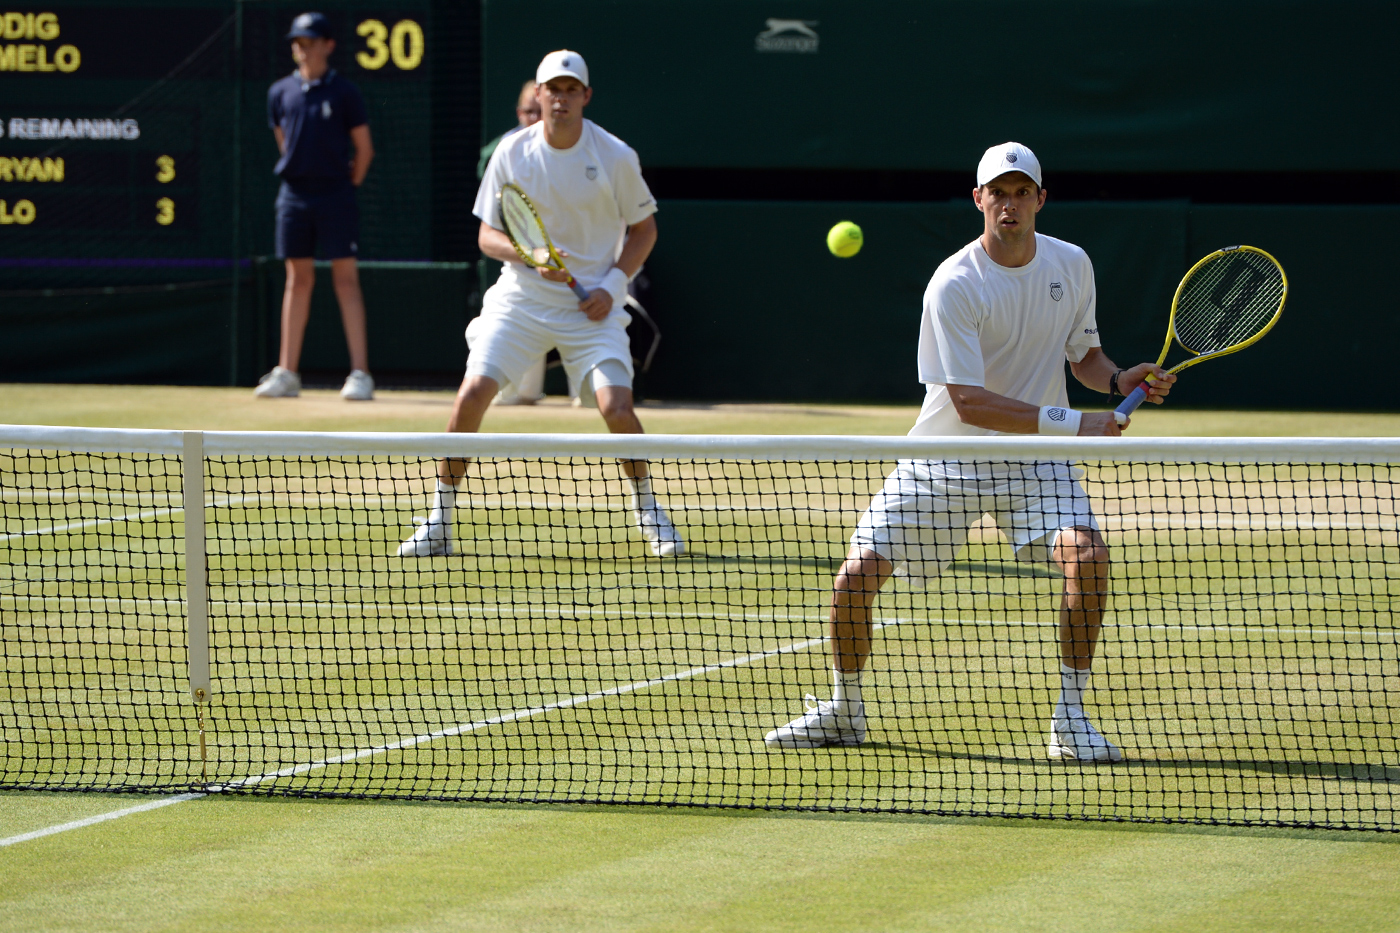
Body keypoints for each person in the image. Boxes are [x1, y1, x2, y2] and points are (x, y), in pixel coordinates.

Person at [763, 142, 1176, 761]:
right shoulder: (954, 282)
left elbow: (1084, 356)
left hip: (1033, 467)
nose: (1010, 204)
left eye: (1021, 192)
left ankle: (1070, 720)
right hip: (944, 461)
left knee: (1088, 560)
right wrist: (1076, 423)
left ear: (1040, 198)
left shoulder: (1072, 264)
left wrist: (1118, 380)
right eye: (998, 193)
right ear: (978, 199)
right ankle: (845, 711)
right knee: (853, 581)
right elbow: (969, 403)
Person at [396, 50, 684, 559]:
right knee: (471, 395)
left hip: (593, 308)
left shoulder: (615, 156)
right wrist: (528, 255)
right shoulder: (512, 151)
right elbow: (487, 235)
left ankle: (648, 509)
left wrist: (612, 286)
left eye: (571, 90)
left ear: (586, 97)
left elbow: (645, 230)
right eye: (553, 90)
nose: (561, 99)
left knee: (617, 409)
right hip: (521, 300)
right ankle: (439, 520)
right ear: (539, 94)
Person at [256, 11, 376, 401]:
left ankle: (360, 374)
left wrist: (344, 185)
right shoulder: (279, 92)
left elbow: (364, 150)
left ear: (328, 46)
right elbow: (284, 143)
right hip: (293, 195)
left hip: (336, 194)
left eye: (309, 42)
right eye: (297, 42)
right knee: (297, 279)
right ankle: (287, 373)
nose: (302, 49)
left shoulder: (345, 93)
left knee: (345, 279)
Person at [474, 80, 548, 406]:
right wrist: (528, 252)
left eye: (539, 112)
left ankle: (583, 391)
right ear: (519, 112)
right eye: (529, 111)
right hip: (519, 266)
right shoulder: (503, 150)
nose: (534, 118)